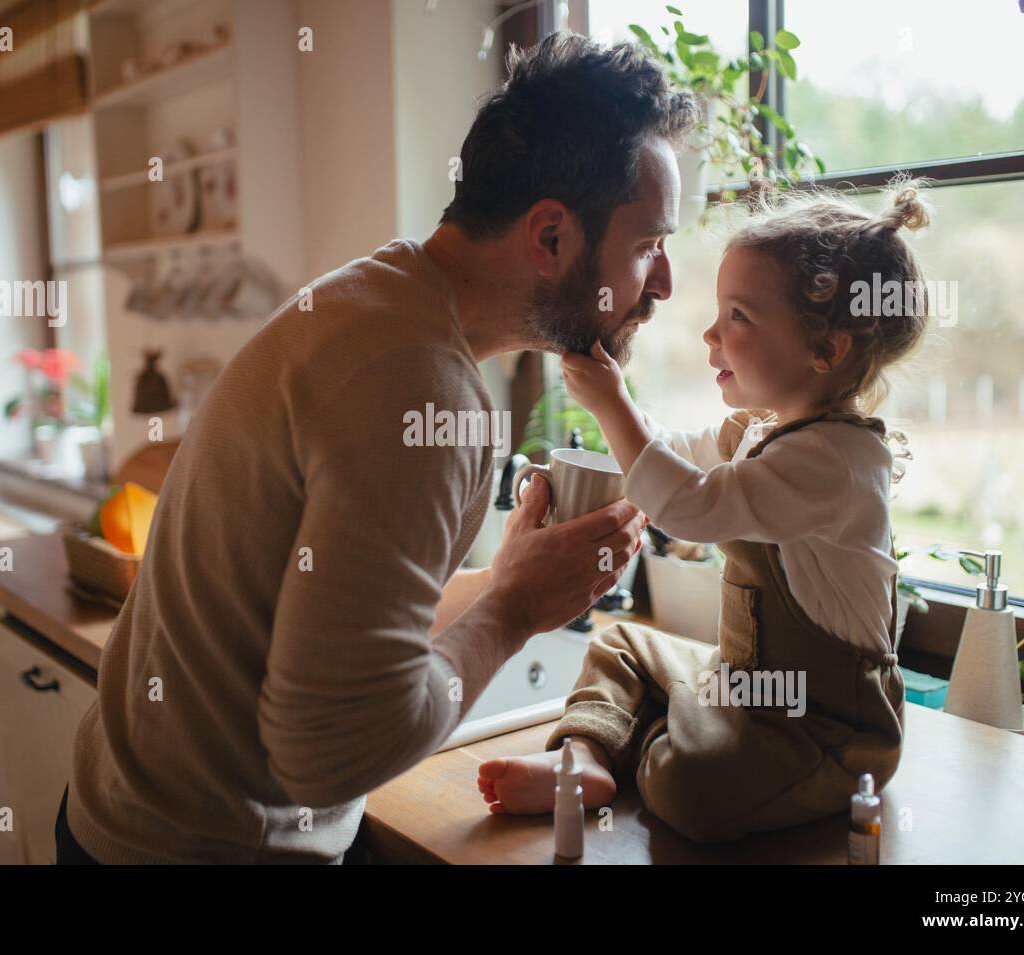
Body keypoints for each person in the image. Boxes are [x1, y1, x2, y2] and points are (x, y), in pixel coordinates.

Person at [57, 32, 696, 863]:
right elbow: (327, 751)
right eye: (648, 244)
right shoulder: (422, 388)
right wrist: (514, 609)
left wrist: (506, 581)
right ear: (549, 237)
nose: (665, 282)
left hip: (125, 812)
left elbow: (343, 624)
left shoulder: (384, 297)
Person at [478, 179, 932, 843]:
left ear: (825, 348)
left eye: (739, 316)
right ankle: (583, 760)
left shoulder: (834, 463)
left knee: (687, 789)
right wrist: (613, 392)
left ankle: (628, 743)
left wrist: (612, 403)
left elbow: (691, 506)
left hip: (825, 732)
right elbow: (667, 456)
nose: (710, 331)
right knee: (619, 641)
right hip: (744, 689)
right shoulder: (764, 430)